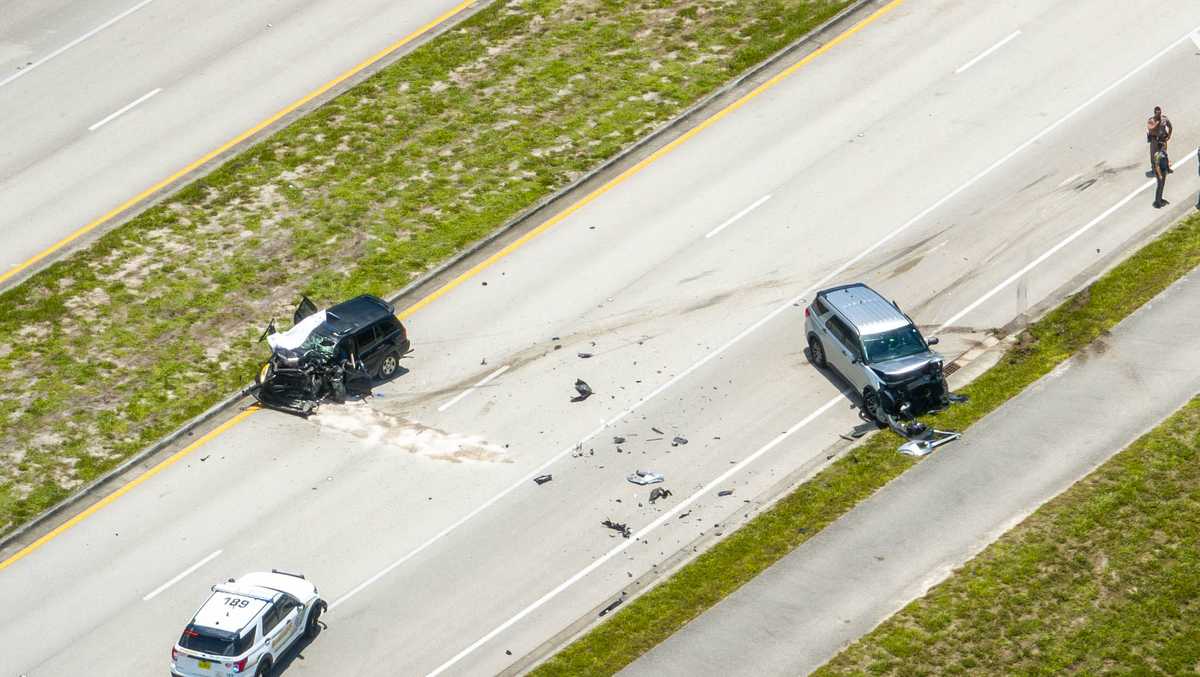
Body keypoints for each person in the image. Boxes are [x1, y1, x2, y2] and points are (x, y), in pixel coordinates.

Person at [1147, 106, 1173, 175]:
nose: (1159, 115)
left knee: (1164, 155)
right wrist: (1157, 123)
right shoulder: (1151, 120)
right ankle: (1154, 170)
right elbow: (1150, 128)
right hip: (1154, 141)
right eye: (1157, 113)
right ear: (1154, 113)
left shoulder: (1164, 119)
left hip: (1162, 140)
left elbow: (1170, 126)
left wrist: (1169, 135)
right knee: (1153, 156)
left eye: (1160, 113)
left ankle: (1167, 168)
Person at [1152, 141, 1170, 208]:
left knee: (1162, 186)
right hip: (1160, 172)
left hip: (1164, 171)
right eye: (1164, 145)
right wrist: (1160, 175)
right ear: (1161, 147)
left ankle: (1160, 199)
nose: (1165, 146)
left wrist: (1168, 168)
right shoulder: (1157, 155)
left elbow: (1166, 159)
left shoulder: (1163, 152)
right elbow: (1157, 166)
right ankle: (1158, 202)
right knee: (1160, 187)